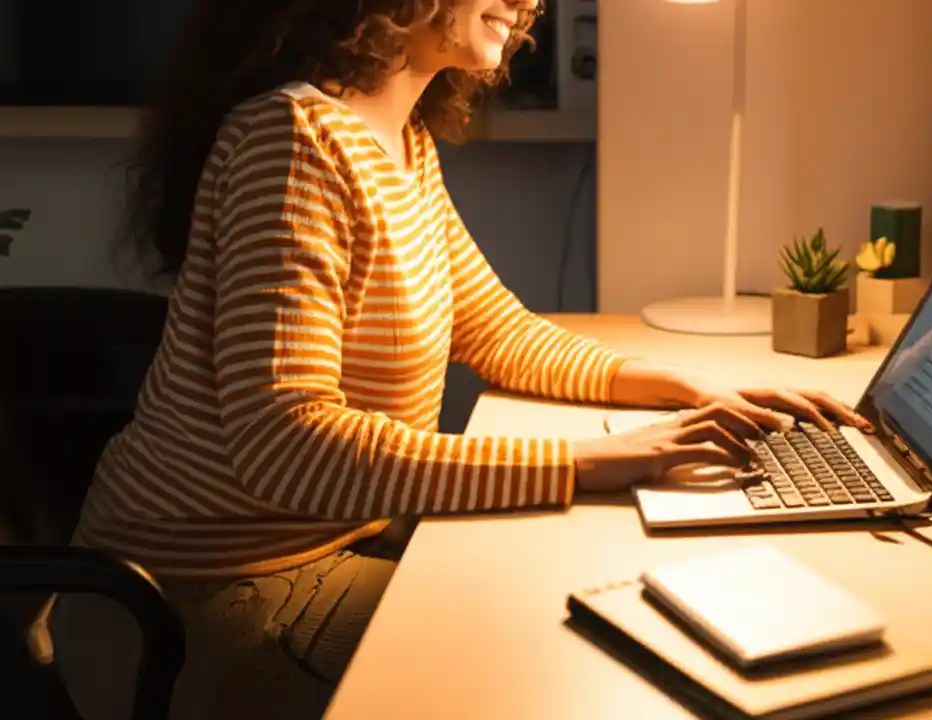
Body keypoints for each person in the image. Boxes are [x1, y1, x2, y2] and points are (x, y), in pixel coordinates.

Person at [49, 1, 867, 718]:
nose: (529, 1)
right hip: (212, 597)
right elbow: (287, 445)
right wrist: (591, 462)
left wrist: (687, 387)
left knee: (592, 600)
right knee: (566, 650)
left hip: (324, 548)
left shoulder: (397, 144)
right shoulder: (293, 141)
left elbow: (497, 334)